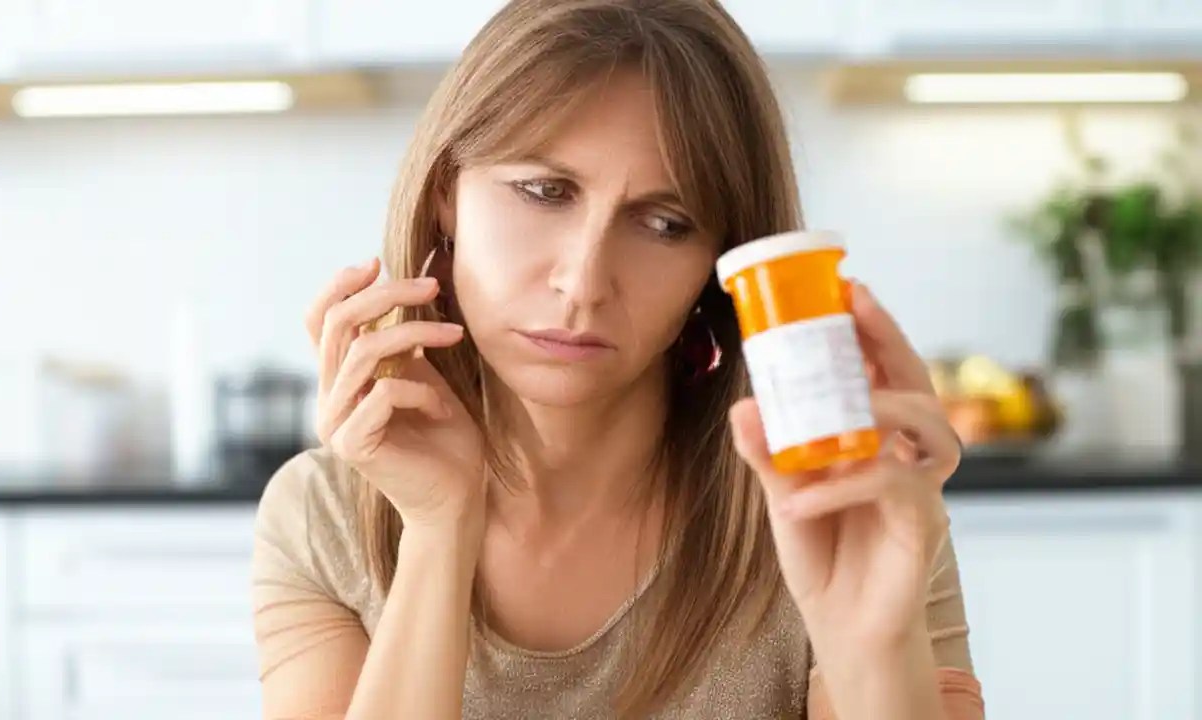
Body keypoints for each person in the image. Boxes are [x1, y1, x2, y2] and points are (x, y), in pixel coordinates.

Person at [251, 1, 984, 718]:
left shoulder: (842, 503)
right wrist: (440, 534)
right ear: (447, 194)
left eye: (665, 224)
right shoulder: (324, 519)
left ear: (719, 264)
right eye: (545, 191)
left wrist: (873, 655)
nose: (585, 282)